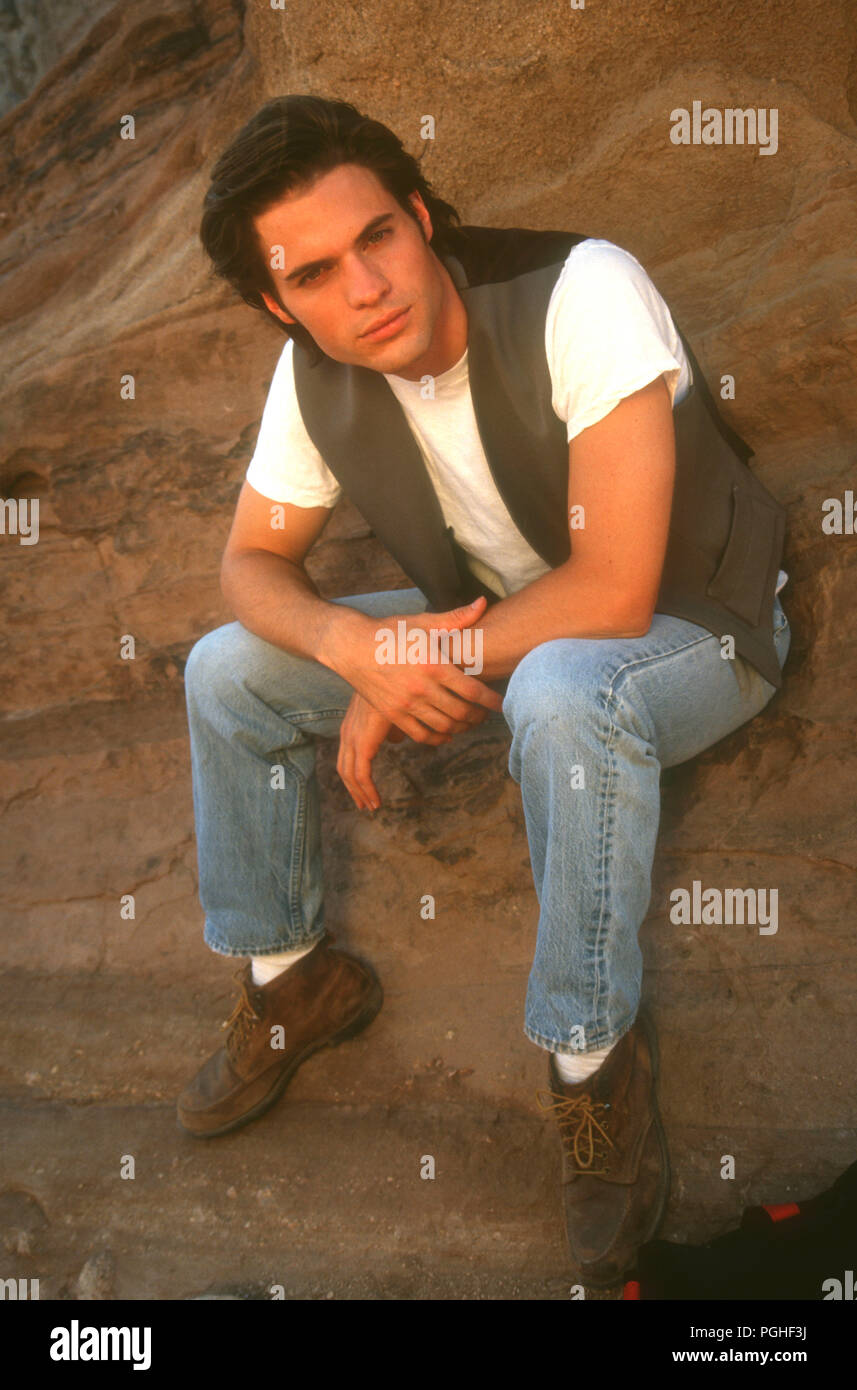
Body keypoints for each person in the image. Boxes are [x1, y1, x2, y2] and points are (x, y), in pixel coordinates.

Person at [178, 95, 790, 1287]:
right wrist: (355, 652)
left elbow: (613, 589)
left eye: (378, 238)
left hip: (692, 622)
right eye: (315, 273)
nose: (363, 287)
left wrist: (419, 658)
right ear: (278, 303)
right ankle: (290, 976)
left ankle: (589, 1064)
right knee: (226, 669)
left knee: (562, 688)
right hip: (509, 616)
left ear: (417, 215)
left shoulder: (579, 290)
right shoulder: (311, 376)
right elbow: (249, 565)